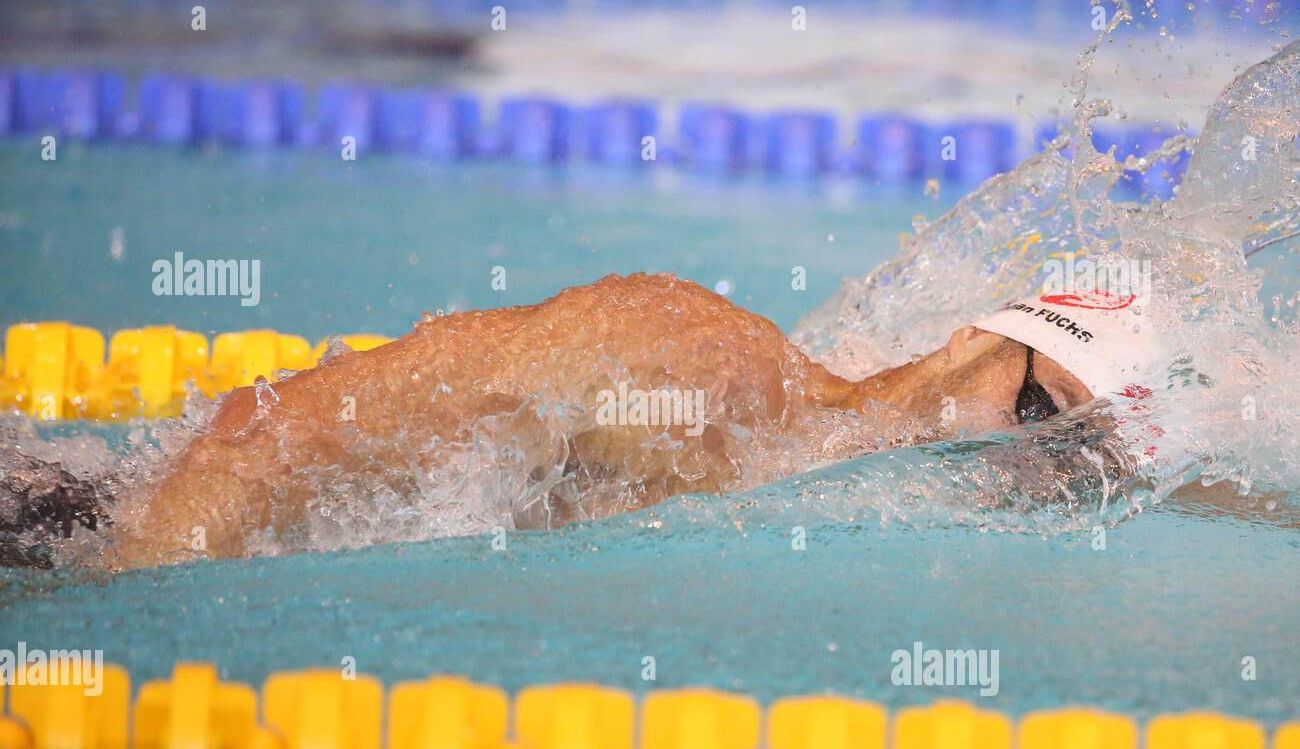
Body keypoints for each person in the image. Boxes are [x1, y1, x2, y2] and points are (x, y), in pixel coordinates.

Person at [69, 271, 1108, 571]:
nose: (1012, 456)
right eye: (1030, 408)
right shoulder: (698, 363)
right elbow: (266, 434)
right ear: (973, 338)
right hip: (74, 534)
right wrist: (129, 584)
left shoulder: (830, 507)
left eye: (1063, 462)